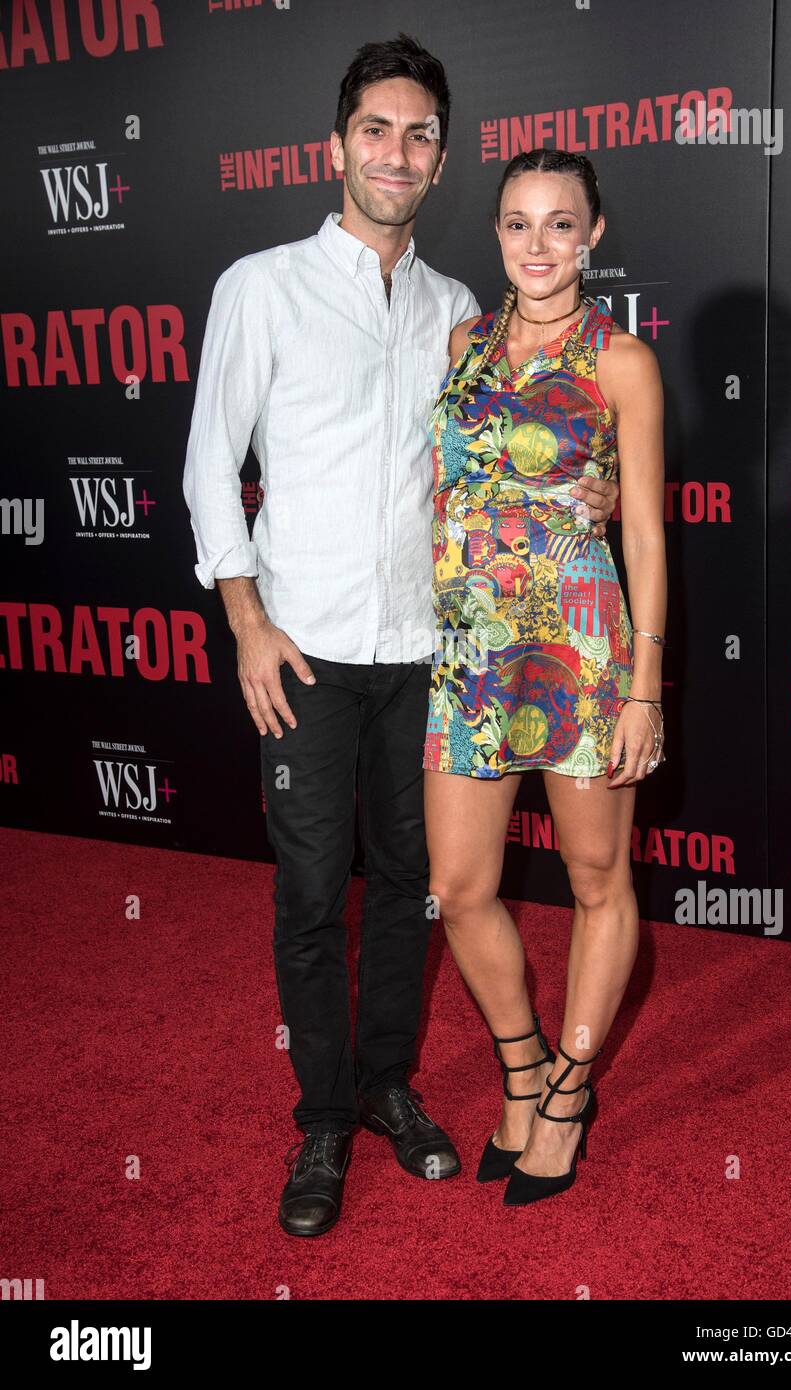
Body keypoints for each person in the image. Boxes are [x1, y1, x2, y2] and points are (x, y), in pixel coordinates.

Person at [183, 38, 621, 1238]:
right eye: (377, 128)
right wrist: (246, 621)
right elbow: (209, 469)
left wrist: (596, 493)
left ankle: (386, 1082)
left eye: (421, 135)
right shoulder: (259, 287)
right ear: (338, 145)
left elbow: (516, 452)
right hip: (307, 649)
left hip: (437, 653)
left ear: (440, 162)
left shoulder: (458, 312)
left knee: (413, 894)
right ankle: (322, 1115)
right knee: (315, 891)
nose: (397, 151)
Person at [423, 149, 666, 1206]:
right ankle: (520, 1067)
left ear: (595, 234)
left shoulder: (622, 361)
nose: (537, 245)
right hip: (473, 649)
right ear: (495, 234)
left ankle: (569, 1092)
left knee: (598, 881)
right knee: (462, 886)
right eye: (518, 223)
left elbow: (649, 534)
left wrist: (645, 687)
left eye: (560, 224)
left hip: (581, 649)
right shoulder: (463, 343)